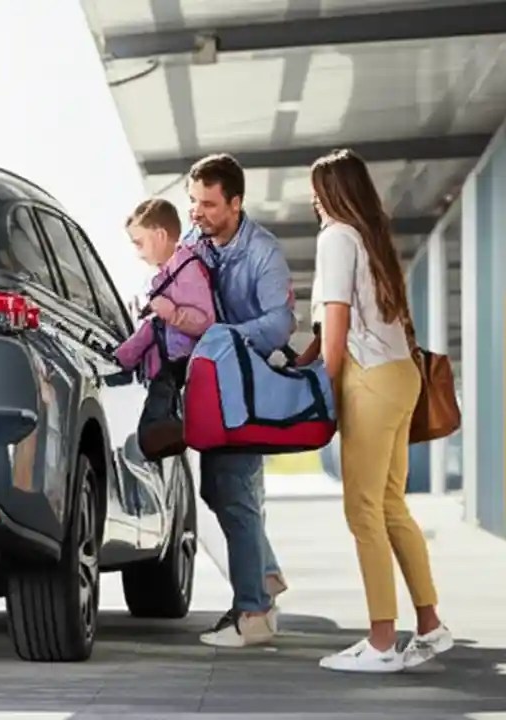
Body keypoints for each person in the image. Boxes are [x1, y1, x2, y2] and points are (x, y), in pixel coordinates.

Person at [297, 149, 452, 673]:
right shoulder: (371, 238)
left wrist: (323, 389)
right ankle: (429, 626)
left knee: (361, 509)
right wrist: (307, 359)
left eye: (317, 190)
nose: (312, 200)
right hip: (400, 375)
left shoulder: (336, 237)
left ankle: (382, 641)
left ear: (333, 193)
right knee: (390, 506)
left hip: (370, 382)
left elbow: (336, 321)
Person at [181, 153, 296, 648]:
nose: (197, 212)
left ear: (235, 202)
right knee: (218, 491)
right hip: (211, 388)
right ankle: (265, 576)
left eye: (207, 203)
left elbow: (280, 323)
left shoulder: (264, 253)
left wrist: (222, 337)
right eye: (192, 202)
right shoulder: (195, 244)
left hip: (248, 386)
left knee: (237, 494)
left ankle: (253, 612)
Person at [114, 198, 215, 380]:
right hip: (166, 367)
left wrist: (173, 314)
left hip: (180, 369)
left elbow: (206, 320)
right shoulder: (166, 273)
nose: (139, 254)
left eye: (139, 243)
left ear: (160, 235)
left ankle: (119, 362)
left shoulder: (188, 270)